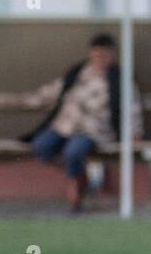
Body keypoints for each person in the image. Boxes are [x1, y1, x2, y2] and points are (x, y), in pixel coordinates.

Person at [22, 34, 140, 213]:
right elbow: (55, 90)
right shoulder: (77, 73)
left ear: (112, 55)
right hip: (65, 125)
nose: (100, 58)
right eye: (97, 53)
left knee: (74, 151)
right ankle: (79, 175)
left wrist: (135, 132)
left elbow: (132, 107)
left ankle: (74, 189)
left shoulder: (119, 79)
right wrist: (29, 99)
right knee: (41, 146)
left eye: (104, 54)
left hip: (94, 130)